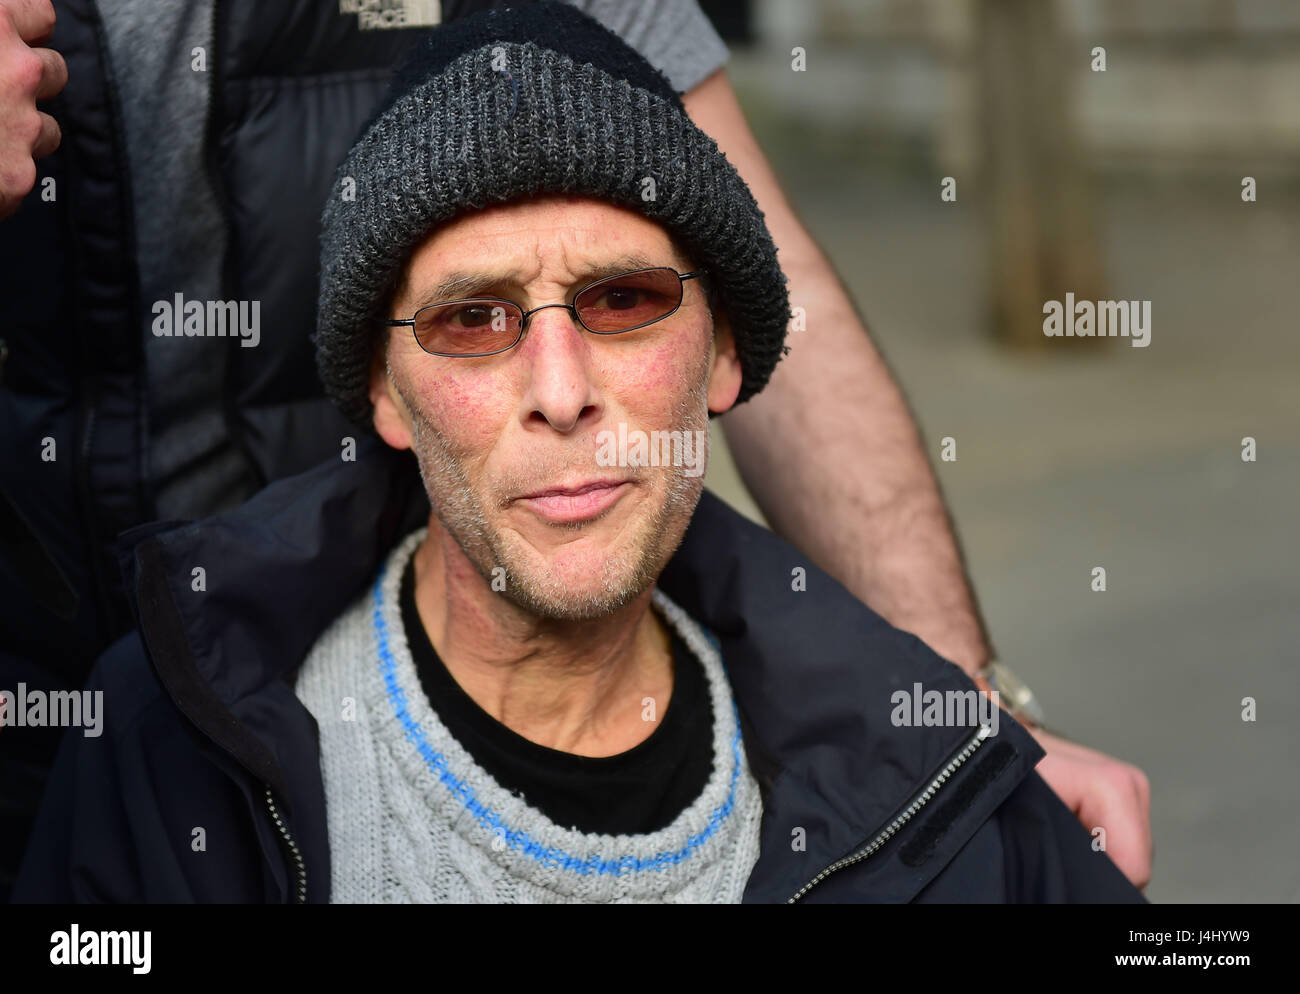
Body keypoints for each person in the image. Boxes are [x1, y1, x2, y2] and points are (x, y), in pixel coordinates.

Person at [0, 0, 1151, 896]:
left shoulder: (956, 827)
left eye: (624, 302)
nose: (560, 392)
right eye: (472, 318)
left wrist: (963, 731)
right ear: (382, 390)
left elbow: (778, 279)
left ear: (725, 354)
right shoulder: (154, 762)